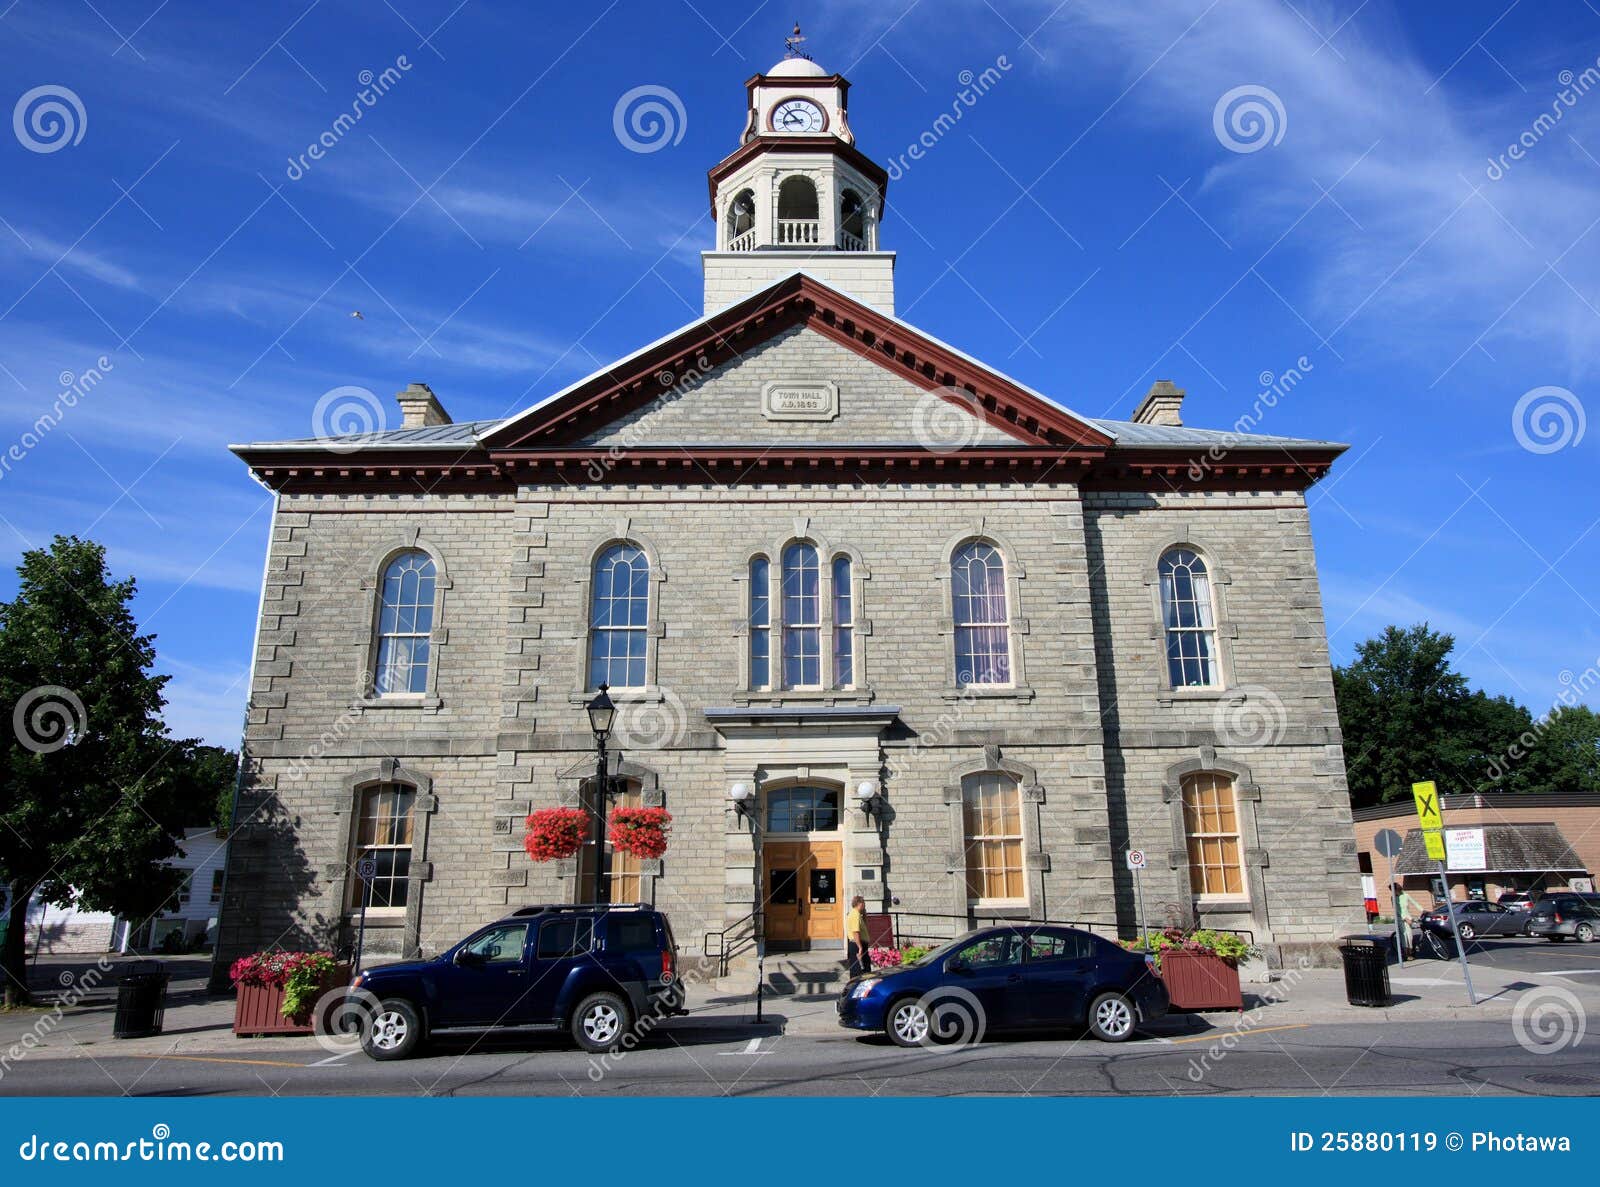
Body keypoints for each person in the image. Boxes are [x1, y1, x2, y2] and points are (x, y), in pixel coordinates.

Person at [845, 895, 872, 977]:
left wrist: (864, 915)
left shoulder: (858, 914)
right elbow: (855, 932)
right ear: (860, 903)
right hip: (857, 945)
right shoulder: (855, 915)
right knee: (859, 970)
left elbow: (864, 927)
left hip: (860, 944)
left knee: (865, 969)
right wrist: (860, 947)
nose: (865, 905)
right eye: (864, 903)